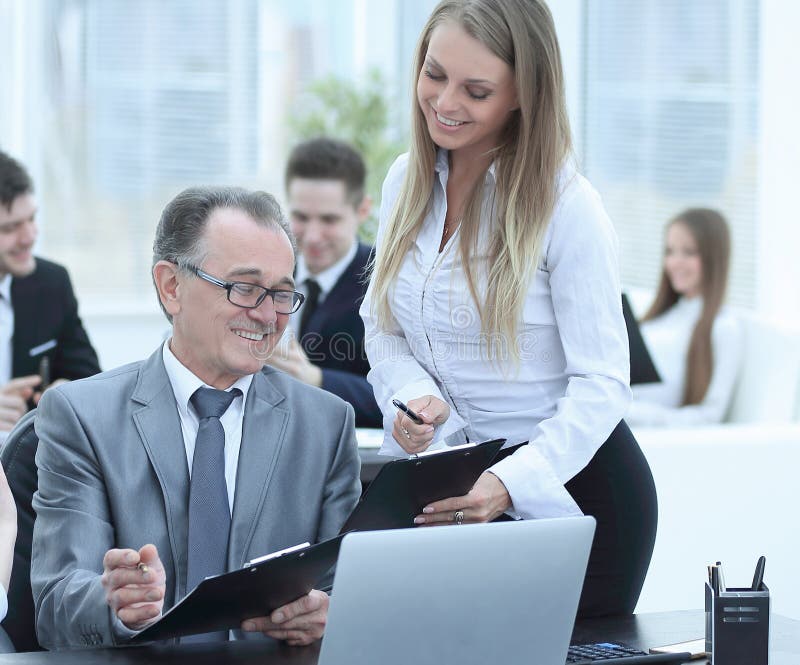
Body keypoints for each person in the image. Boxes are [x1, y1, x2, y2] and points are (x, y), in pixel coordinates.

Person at [360, 0, 656, 617]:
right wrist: (415, 395)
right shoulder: (402, 181)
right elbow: (381, 327)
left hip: (577, 494)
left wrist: (509, 482)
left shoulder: (568, 207)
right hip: (456, 483)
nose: (444, 102)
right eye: (434, 73)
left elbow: (604, 383)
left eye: (476, 90)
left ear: (523, 94)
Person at [31, 186, 361, 649]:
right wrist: (116, 604)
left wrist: (330, 612)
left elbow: (350, 589)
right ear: (172, 287)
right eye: (245, 288)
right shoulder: (83, 417)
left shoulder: (326, 424)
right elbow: (56, 609)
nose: (268, 315)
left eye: (282, 293)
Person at [266, 138, 382, 427]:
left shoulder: (387, 281)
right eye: (301, 217)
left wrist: (315, 379)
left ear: (363, 210)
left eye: (329, 220)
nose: (313, 236)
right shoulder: (264, 271)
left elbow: (408, 400)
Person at [0, 149, 100, 441]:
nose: (30, 236)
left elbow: (92, 378)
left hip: (28, 468)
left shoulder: (51, 284)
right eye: (10, 228)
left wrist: (67, 391)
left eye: (31, 218)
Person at [626, 208, 743, 426]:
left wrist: (630, 413)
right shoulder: (661, 315)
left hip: (642, 432)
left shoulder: (722, 327)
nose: (674, 262)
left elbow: (709, 416)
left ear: (713, 258)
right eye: (670, 251)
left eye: (688, 252)